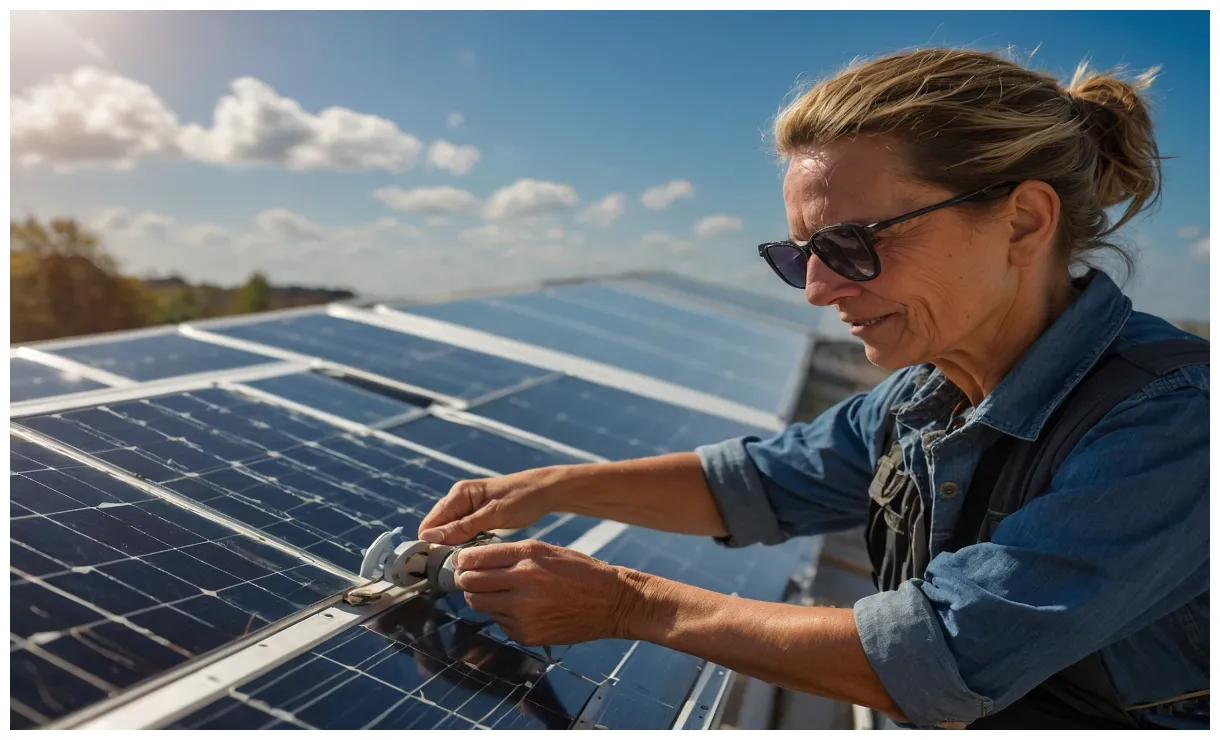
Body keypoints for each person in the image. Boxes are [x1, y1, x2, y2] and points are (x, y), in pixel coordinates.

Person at [416, 48, 1209, 730]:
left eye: (852, 244)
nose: (819, 290)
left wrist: (627, 604)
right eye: (799, 255)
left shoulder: (1172, 421)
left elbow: (943, 657)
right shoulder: (924, 397)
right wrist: (542, 489)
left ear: (1023, 223)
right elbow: (757, 482)